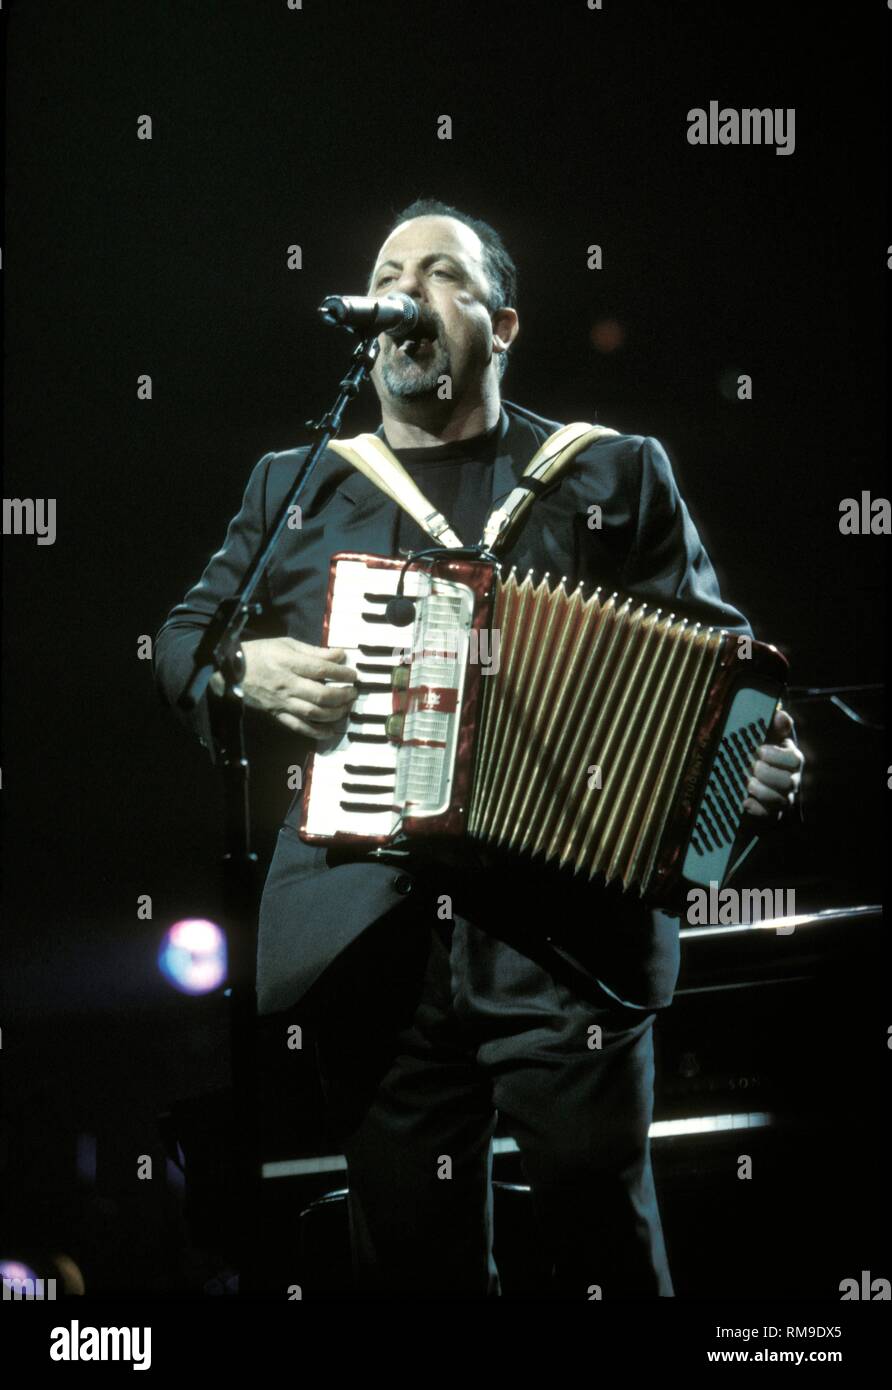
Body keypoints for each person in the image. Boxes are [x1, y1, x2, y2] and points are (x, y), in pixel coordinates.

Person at [154, 198, 803, 1299]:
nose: (405, 288)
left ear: (499, 324)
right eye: (389, 271)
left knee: (603, 1238)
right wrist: (240, 670)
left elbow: (725, 670)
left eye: (439, 272)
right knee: (412, 1264)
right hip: (371, 941)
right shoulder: (301, 480)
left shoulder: (610, 472)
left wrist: (755, 769)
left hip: (568, 941)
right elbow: (180, 643)